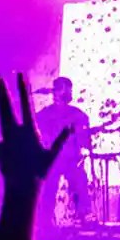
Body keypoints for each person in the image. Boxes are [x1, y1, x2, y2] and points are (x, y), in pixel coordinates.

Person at [35, 77, 92, 226]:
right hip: (53, 159)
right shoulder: (44, 115)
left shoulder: (78, 114)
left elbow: (85, 139)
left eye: (69, 89)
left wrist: (85, 139)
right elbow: (36, 134)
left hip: (71, 158)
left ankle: (82, 218)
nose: (67, 92)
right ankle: (45, 223)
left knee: (79, 184)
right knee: (48, 191)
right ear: (55, 91)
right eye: (63, 88)